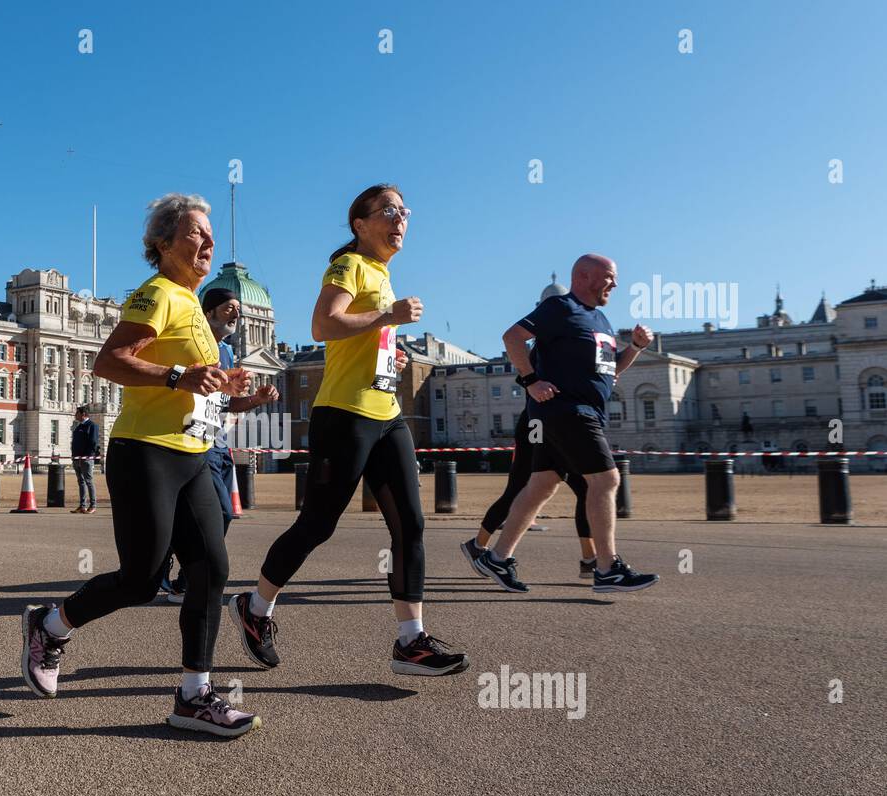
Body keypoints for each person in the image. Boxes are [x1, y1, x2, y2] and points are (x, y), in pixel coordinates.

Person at [22, 192, 260, 736]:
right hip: (145, 452)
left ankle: (193, 696)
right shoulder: (156, 294)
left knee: (210, 568)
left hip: (194, 454)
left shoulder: (195, 313)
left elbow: (196, 388)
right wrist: (179, 377)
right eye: (196, 233)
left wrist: (230, 389)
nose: (208, 243)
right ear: (163, 243)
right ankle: (51, 625)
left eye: (210, 235)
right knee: (140, 580)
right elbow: (111, 360)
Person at [228, 184, 468, 677]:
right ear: (360, 224)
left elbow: (358, 337)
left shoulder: (382, 273)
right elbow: (323, 325)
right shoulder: (348, 266)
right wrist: (389, 316)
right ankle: (256, 606)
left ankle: (410, 641)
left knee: (410, 524)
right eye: (388, 211)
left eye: (405, 211)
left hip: (387, 414)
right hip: (343, 415)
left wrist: (389, 352)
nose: (400, 219)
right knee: (318, 525)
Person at [474, 254, 660, 593]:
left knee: (541, 486)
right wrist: (531, 380)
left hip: (582, 412)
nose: (615, 284)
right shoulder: (560, 307)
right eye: (609, 277)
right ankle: (606, 568)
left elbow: (611, 371)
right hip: (568, 411)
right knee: (605, 480)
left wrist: (634, 347)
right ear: (584, 276)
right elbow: (512, 337)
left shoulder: (600, 320)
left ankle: (498, 557)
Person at [160, 285, 279, 601]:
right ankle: (185, 578)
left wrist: (255, 398)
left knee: (216, 515)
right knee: (221, 513)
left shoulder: (226, 352)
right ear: (208, 312)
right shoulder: (189, 344)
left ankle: (168, 559)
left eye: (239, 309)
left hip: (217, 441)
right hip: (190, 438)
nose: (237, 314)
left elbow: (227, 404)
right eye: (229, 308)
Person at [460, 414, 595, 586]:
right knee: (517, 493)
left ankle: (590, 558)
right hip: (539, 426)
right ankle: (479, 546)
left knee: (586, 489)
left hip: (558, 427)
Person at [70, 406, 99, 513]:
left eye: (77, 413)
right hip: (77, 458)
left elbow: (94, 442)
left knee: (88, 481)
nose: (75, 415)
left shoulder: (92, 426)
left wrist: (87, 456)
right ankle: (82, 505)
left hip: (86, 459)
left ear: (83, 414)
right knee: (81, 482)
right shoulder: (78, 427)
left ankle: (93, 505)